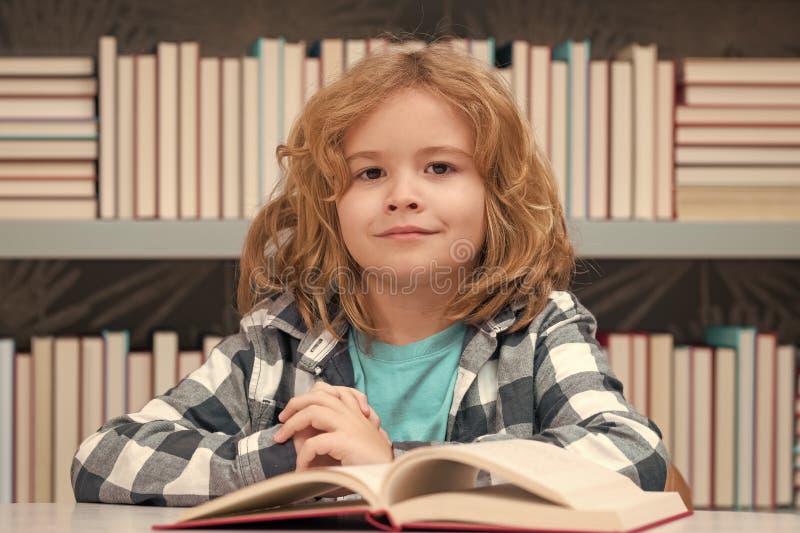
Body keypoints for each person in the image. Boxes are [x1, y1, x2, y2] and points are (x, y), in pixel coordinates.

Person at [71, 39, 669, 506]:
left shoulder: (537, 329)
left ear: (499, 197)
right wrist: (293, 459)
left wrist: (397, 467)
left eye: (439, 167)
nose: (403, 196)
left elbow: (630, 453)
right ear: (331, 205)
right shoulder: (278, 338)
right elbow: (104, 457)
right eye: (369, 173)